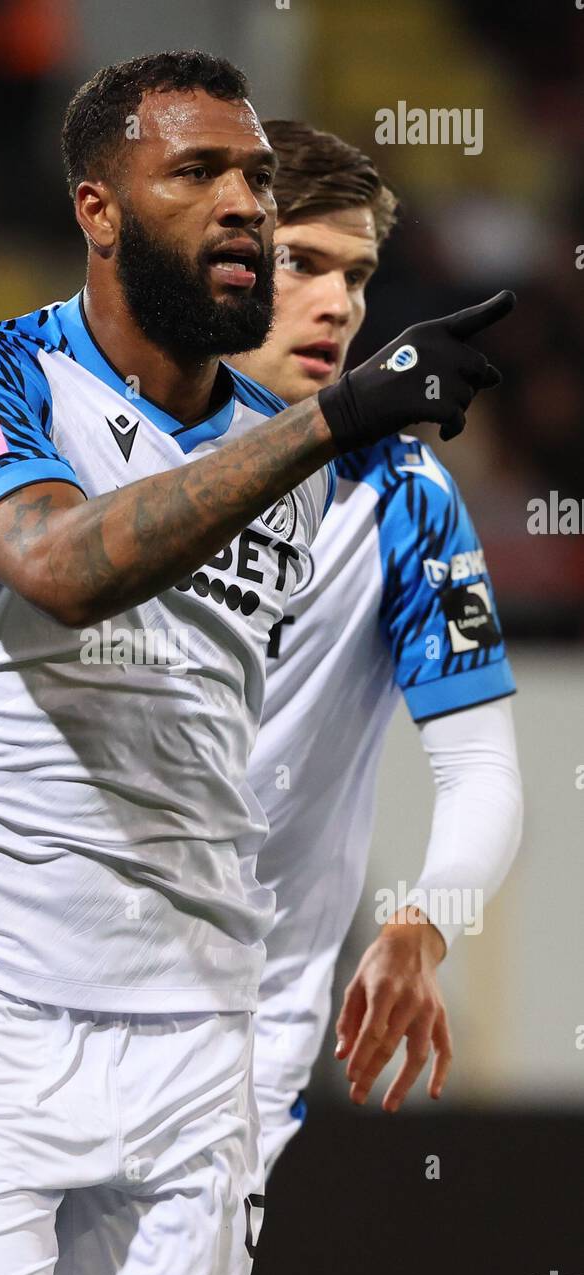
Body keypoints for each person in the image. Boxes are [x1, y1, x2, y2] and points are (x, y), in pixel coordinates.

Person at [0, 53, 512, 1275]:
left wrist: (423, 920)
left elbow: (469, 758)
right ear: (98, 209)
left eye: (255, 179)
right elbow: (57, 564)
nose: (242, 205)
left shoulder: (307, 461)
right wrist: (340, 418)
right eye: (198, 173)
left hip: (203, 1038)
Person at [226, 122, 523, 1179]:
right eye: (301, 263)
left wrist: (423, 926)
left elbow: (484, 773)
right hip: (19, 1006)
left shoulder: (405, 498)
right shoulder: (68, 433)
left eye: (356, 275)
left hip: (242, 1040)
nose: (338, 304)